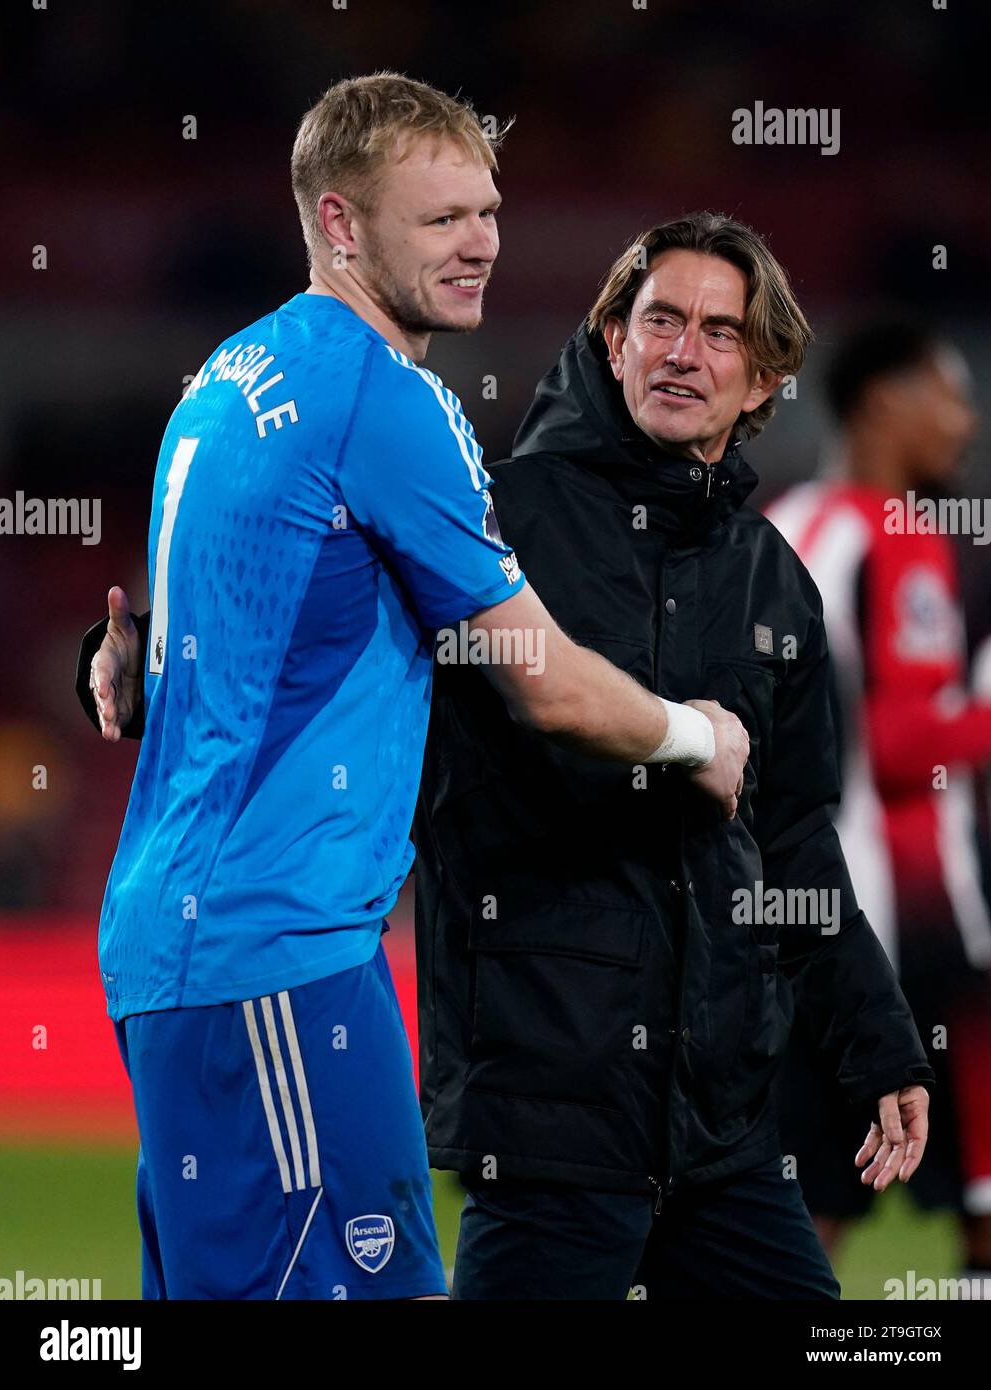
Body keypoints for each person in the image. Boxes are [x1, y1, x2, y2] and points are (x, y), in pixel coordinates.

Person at [76, 78, 751, 1300]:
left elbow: (170, 649)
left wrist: (117, 673)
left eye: (485, 210)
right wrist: (691, 732)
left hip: (185, 951)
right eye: (440, 219)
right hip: (274, 950)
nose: (481, 241)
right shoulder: (385, 400)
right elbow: (537, 678)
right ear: (340, 224)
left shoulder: (227, 376)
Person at [410, 214, 935, 1299]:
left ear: (761, 380)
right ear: (611, 339)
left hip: (719, 1135)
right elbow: (331, 656)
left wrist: (874, 1040)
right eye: (658, 320)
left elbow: (792, 837)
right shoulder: (496, 522)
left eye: (717, 332)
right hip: (549, 1117)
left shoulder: (768, 577)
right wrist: (145, 674)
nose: (681, 351)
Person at [767, 321, 991, 1296]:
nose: (963, 420)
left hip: (785, 912)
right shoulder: (899, 536)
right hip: (914, 923)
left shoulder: (776, 523)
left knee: (808, 1199)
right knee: (977, 1197)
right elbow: (902, 749)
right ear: (881, 403)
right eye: (945, 395)